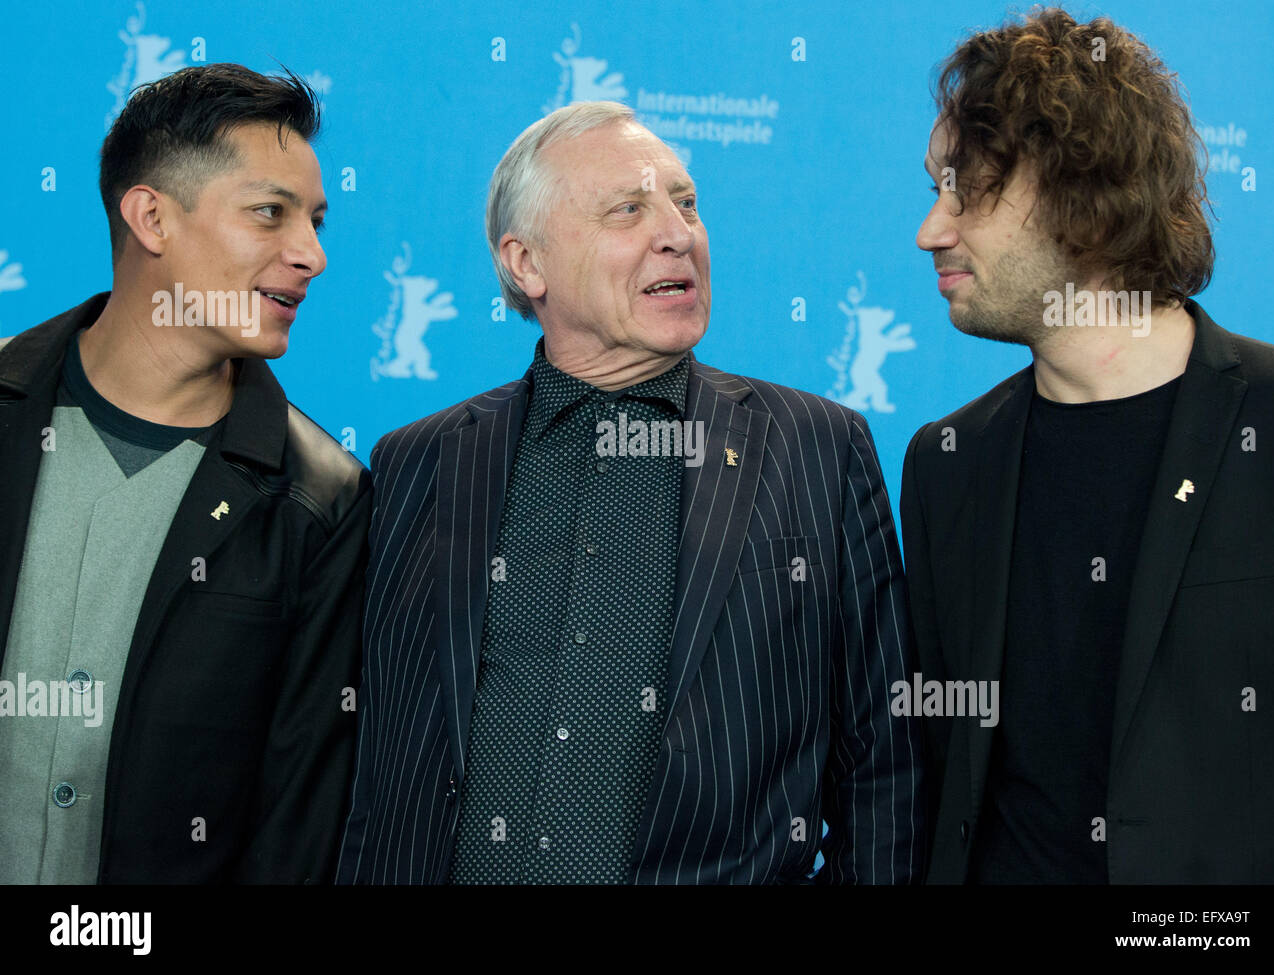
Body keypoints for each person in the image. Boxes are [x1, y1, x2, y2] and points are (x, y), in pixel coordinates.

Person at [338, 100, 921, 884]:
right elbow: (372, 759)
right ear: (526, 264)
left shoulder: (818, 447)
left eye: (686, 203)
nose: (677, 232)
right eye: (629, 209)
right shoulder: (417, 461)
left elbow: (886, 759)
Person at [905, 7, 1274, 883]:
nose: (931, 231)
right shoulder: (946, 464)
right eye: (935, 189)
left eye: (964, 187)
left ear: (1077, 193)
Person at [0, 63, 369, 883]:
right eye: (271, 213)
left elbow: (295, 828)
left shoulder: (321, 499)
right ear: (152, 216)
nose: (311, 255)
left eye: (315, 220)